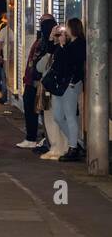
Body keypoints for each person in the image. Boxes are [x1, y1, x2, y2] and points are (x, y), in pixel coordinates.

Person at [43, 20, 86, 162]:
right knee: (58, 116)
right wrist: (52, 38)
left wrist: (62, 45)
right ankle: (76, 144)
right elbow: (53, 54)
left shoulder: (79, 44)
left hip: (70, 85)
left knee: (70, 116)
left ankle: (73, 147)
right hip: (59, 85)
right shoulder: (67, 43)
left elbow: (70, 62)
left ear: (73, 28)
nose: (64, 30)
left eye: (66, 27)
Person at [16, 15, 57, 150]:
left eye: (43, 21)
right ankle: (32, 137)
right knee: (31, 109)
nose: (40, 24)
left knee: (42, 111)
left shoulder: (50, 43)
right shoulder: (40, 41)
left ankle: (38, 138)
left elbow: (42, 64)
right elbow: (32, 62)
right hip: (32, 81)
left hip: (40, 83)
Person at [0, 13, 11, 104]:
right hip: (6, 57)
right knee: (4, 79)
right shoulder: (5, 29)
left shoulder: (5, 29)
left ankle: (4, 97)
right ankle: (5, 96)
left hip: (6, 58)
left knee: (5, 79)